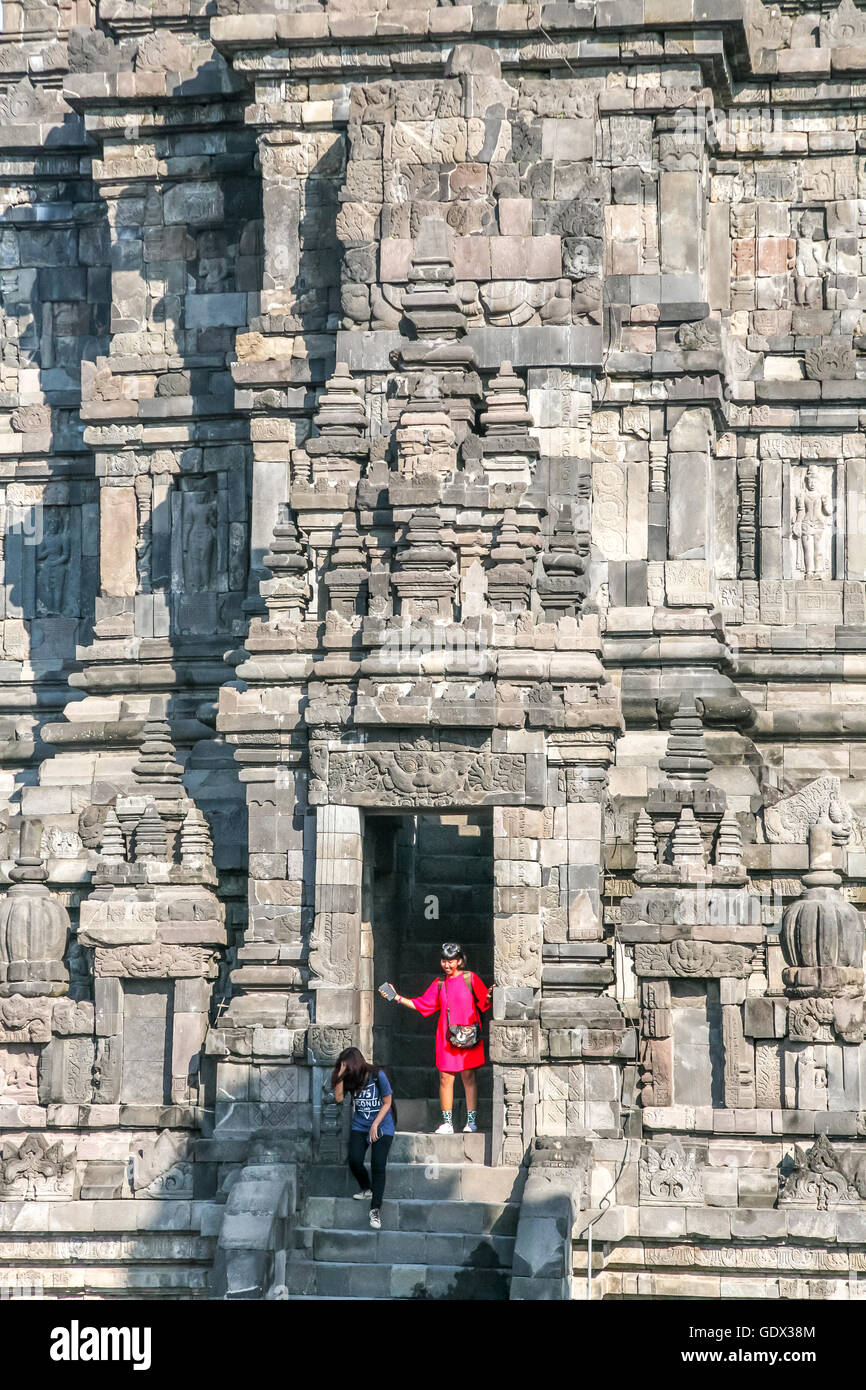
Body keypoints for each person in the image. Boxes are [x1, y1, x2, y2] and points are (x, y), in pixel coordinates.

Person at [379, 943, 491, 1136]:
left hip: (469, 1036)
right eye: (444, 961)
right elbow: (422, 1004)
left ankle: (471, 1121)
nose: (447, 965)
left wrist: (490, 995)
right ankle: (447, 1123)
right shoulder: (440, 983)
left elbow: (485, 1001)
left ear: (460, 961)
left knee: (469, 1077)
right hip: (446, 1038)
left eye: (451, 961)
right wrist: (396, 997)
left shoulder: (470, 978)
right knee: (445, 1078)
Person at [331, 1047, 395, 1230]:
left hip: (382, 1125)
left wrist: (375, 1124)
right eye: (343, 1066)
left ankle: (375, 1209)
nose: (346, 1069)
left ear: (357, 1064)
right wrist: (340, 1075)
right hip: (360, 1125)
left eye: (347, 1066)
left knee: (378, 1165)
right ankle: (366, 1188)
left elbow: (388, 1102)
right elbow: (338, 1099)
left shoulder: (377, 1075)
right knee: (354, 1160)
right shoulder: (350, 1078)